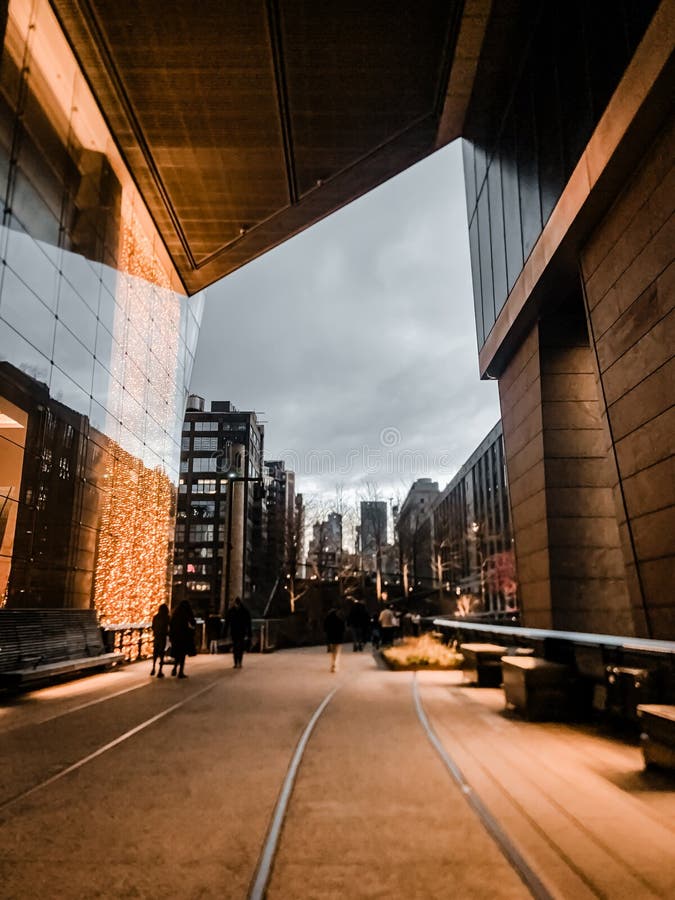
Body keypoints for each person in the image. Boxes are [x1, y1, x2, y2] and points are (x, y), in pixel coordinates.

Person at [169, 599, 196, 678]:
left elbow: (171, 625)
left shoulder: (175, 614)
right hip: (184, 637)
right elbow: (192, 624)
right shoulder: (187, 614)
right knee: (182, 655)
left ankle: (174, 668)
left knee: (177, 654)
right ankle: (180, 671)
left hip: (176, 637)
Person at [224, 596, 252, 669]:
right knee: (239, 647)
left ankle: (237, 663)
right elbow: (248, 623)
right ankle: (238, 662)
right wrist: (249, 633)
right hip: (240, 631)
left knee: (237, 647)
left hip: (235, 631)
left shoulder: (231, 611)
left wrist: (224, 632)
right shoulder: (245, 611)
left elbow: (227, 622)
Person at [150, 602, 170, 677]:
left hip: (156, 637)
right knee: (161, 654)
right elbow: (169, 626)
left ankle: (153, 668)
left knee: (155, 653)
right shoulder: (167, 617)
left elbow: (153, 627)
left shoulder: (155, 617)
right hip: (163, 637)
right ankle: (160, 671)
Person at [324, 606, 345, 673]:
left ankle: (333, 663)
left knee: (333, 651)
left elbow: (325, 629)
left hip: (331, 638)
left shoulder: (327, 620)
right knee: (337, 651)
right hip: (339, 638)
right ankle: (335, 663)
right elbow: (343, 629)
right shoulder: (339, 620)